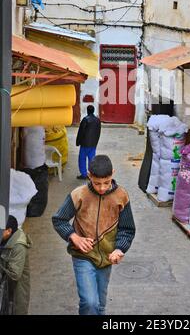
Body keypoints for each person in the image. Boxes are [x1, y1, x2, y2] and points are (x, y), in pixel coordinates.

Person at [52, 154, 135, 315]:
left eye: (106, 182)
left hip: (107, 256)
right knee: (89, 302)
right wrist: (74, 237)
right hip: (82, 255)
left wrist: (119, 249)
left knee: (100, 305)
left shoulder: (121, 196)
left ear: (113, 173)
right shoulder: (79, 194)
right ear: (89, 176)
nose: (102, 188)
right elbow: (59, 219)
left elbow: (127, 229)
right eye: (97, 183)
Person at [0, 215, 32, 315]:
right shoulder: (4, 238)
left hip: (16, 291)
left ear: (8, 231)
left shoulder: (19, 247)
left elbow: (14, 275)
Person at [76, 104, 101, 180]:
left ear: (87, 111)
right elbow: (98, 133)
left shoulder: (85, 119)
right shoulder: (97, 120)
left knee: (82, 159)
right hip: (93, 144)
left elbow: (81, 132)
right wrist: (96, 143)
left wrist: (78, 141)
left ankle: (84, 174)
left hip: (84, 144)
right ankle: (92, 175)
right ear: (93, 111)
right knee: (92, 160)